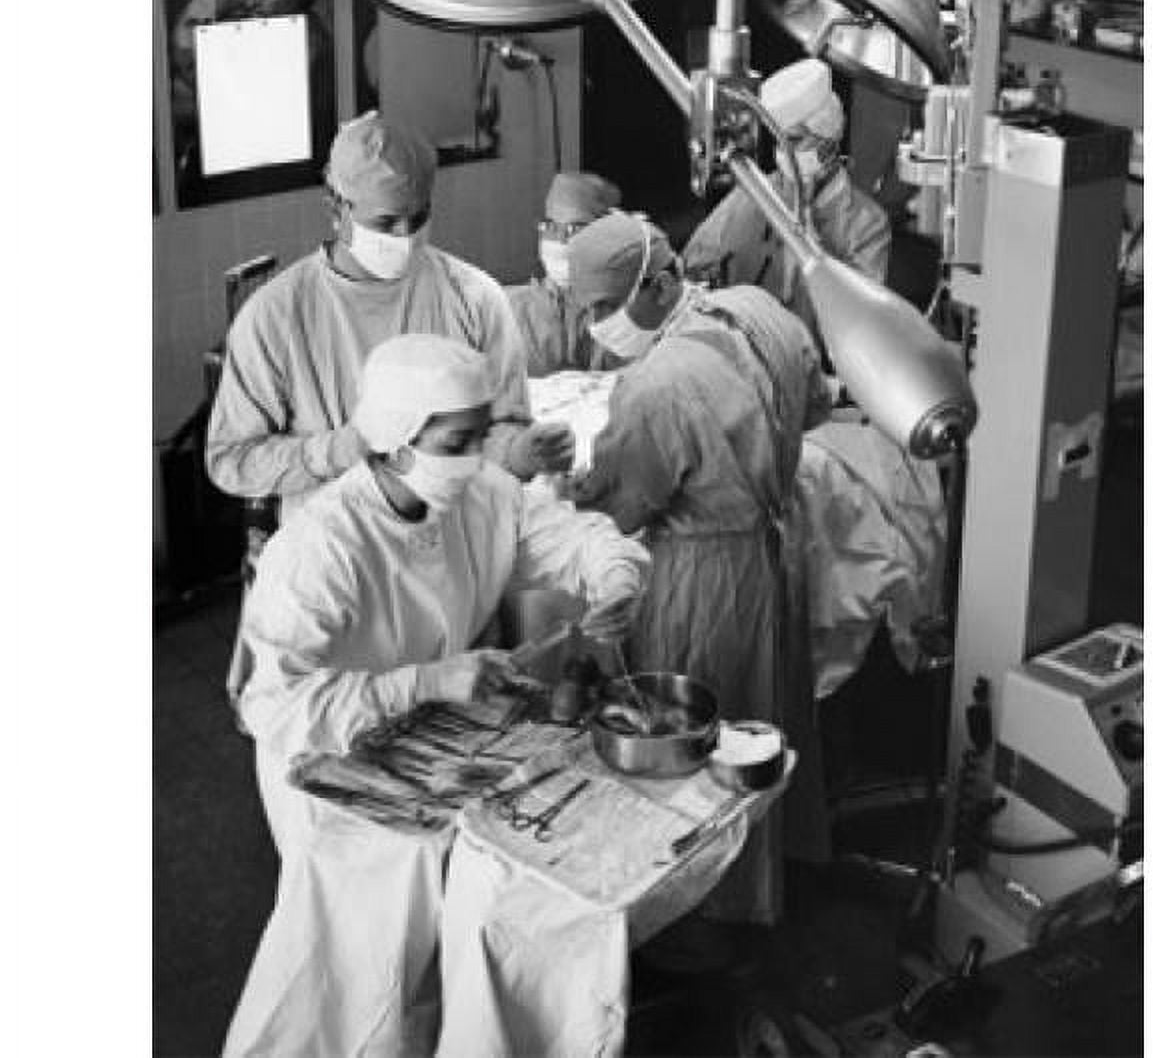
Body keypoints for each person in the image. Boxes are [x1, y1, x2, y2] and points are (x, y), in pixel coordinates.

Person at [224, 333, 648, 1056]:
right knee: (354, 972)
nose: (474, 457)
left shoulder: (481, 495)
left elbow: (571, 538)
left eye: (481, 437)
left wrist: (614, 575)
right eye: (456, 441)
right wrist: (420, 682)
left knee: (444, 946)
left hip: (431, 742)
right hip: (328, 769)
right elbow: (274, 707)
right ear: (392, 440)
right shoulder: (322, 544)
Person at [206, 111, 575, 696]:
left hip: (450, 569)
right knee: (342, 728)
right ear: (336, 205)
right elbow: (232, 460)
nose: (403, 237)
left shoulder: (473, 299)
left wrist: (519, 447)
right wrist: (342, 447)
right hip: (334, 577)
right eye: (385, 221)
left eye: (417, 219)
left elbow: (495, 429)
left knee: (454, 739)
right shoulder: (278, 318)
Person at [565, 210, 832, 926]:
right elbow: (818, 403)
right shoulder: (758, 309)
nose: (594, 324)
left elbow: (618, 506)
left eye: (601, 306)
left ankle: (704, 917)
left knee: (691, 753)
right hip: (774, 549)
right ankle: (768, 880)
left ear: (656, 283)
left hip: (701, 577)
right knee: (762, 717)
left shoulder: (656, 385)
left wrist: (566, 475)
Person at [682, 57, 892, 344]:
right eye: (778, 141)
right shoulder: (756, 191)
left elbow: (862, 326)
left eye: (793, 141)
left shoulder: (866, 223)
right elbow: (695, 262)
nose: (783, 153)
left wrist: (809, 237)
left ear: (827, 143)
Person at [505, 170, 622, 376]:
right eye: (550, 227)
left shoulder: (631, 313)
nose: (558, 241)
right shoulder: (514, 310)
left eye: (574, 229)